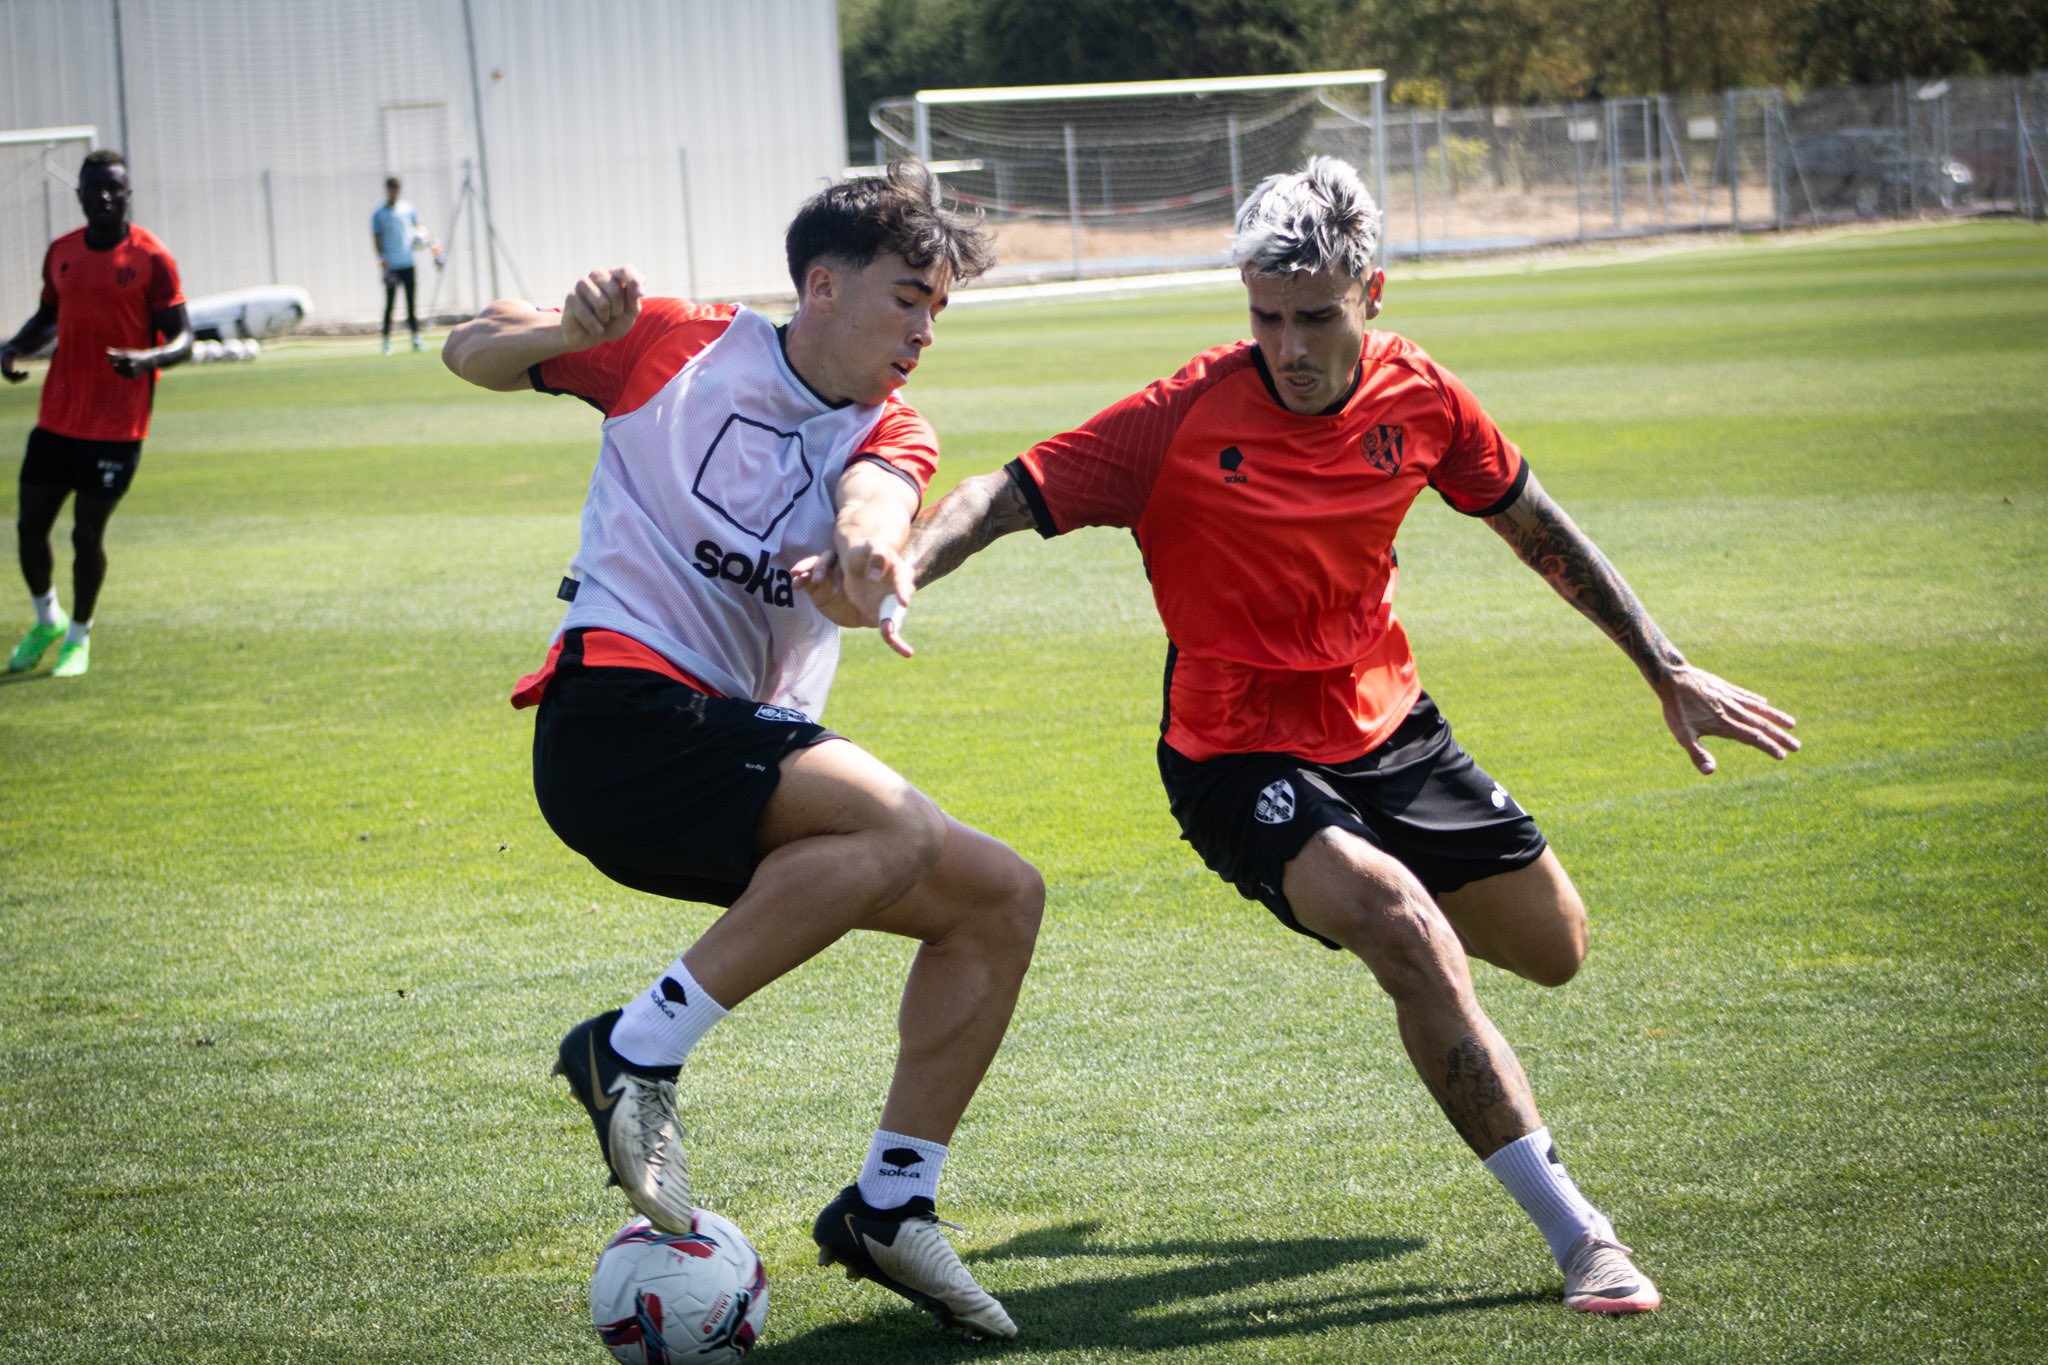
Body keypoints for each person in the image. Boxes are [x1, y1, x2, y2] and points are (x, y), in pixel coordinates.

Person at [883, 157, 1799, 1315]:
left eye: (1313, 316)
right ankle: (1585, 1241)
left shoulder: (1420, 399)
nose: (1287, 345)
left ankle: (1366, 891)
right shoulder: (1178, 418)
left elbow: (1531, 522)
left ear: (1371, 291)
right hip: (1233, 752)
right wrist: (905, 566)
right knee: (1403, 928)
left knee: (1554, 946)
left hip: (1388, 725)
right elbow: (998, 493)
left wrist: (1661, 666)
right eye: (1264, 318)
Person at [440, 163, 1040, 1340]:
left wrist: (868, 563)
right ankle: (630, 1052)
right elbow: (469, 347)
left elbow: (877, 504)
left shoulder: (889, 425)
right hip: (614, 723)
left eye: (939, 310)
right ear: (820, 284)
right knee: (895, 825)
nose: (925, 328)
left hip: (737, 752)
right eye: (908, 297)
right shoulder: (676, 344)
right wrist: (565, 331)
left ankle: (888, 1204)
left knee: (998, 898)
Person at [2, 148, 190, 679]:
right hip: (57, 416)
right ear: (80, 194)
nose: (103, 197)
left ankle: (79, 638)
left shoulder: (150, 258)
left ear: (128, 195)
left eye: (114, 189)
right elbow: (48, 316)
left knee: (87, 534)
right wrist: (14, 346)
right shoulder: (61, 252)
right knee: (29, 528)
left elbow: (184, 338)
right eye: (94, 189)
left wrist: (148, 358)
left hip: (117, 425)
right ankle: (47, 619)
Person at [371, 176, 438, 354]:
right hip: (392, 265)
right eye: (390, 189)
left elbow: (422, 229)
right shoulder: (379, 214)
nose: (393, 192)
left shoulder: (408, 209)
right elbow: (377, 241)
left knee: (411, 303)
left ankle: (416, 338)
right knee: (390, 304)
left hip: (408, 263)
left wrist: (434, 249)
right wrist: (384, 266)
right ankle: (386, 341)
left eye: (396, 189)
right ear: (387, 190)